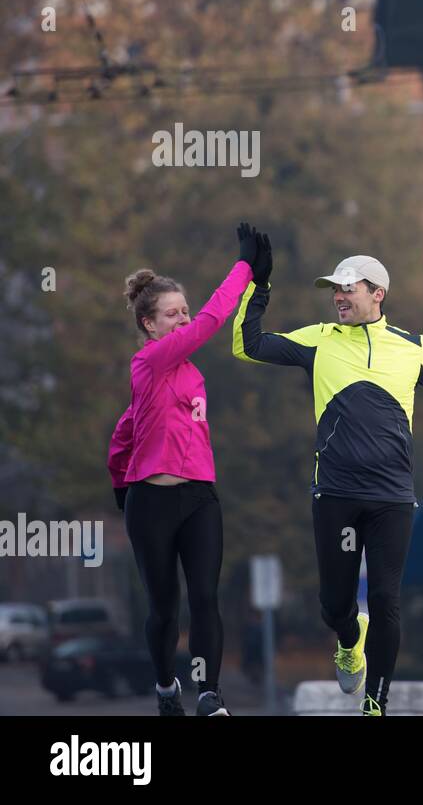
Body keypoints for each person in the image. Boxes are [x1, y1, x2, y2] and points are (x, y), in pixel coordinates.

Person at [231, 239, 423, 715]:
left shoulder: (413, 347)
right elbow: (248, 344)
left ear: (378, 293)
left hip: (392, 497)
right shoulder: (319, 340)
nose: (339, 297)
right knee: (335, 604)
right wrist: (256, 285)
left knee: (387, 600)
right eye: (335, 290)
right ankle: (349, 639)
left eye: (349, 289)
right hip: (337, 495)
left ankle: (375, 704)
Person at [107, 222, 269, 716]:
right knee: (164, 608)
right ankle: (164, 687)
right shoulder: (148, 363)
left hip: (199, 498)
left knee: (205, 597)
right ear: (150, 326)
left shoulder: (191, 373)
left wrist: (259, 284)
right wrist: (243, 267)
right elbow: (214, 319)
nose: (184, 320)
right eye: (172, 314)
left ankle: (209, 694)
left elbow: (126, 430)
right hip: (152, 503)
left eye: (185, 311)